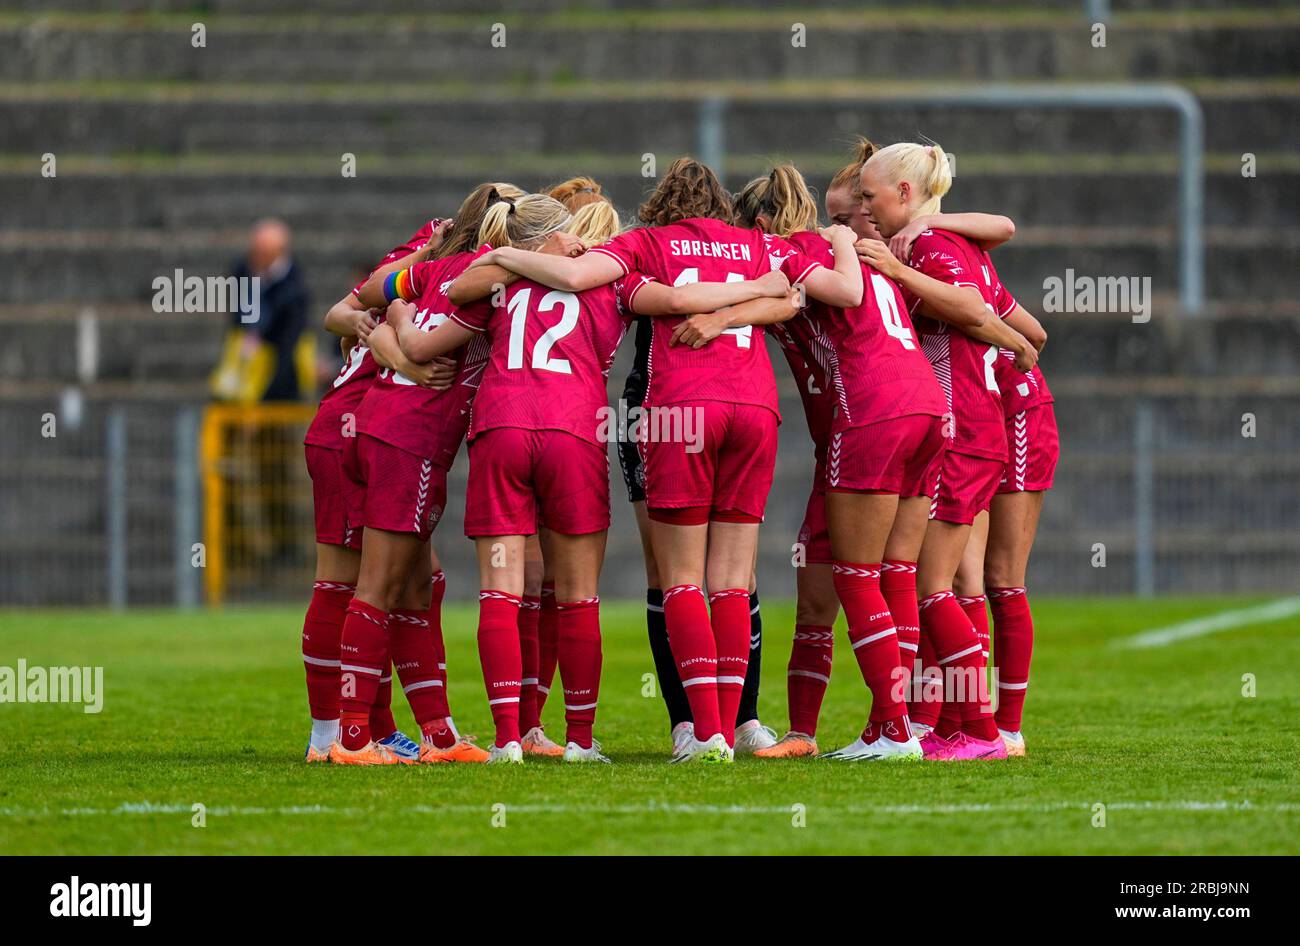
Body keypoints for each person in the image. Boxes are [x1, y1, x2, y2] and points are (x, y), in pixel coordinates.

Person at [470, 156, 861, 762]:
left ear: (658, 204)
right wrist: (749, 297)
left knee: (677, 577)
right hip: (755, 408)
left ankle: (700, 731)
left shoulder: (641, 244)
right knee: (734, 580)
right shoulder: (756, 245)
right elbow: (806, 297)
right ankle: (736, 724)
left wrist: (501, 256)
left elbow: (604, 285)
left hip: (676, 411)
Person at [857, 141, 1038, 760]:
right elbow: (1021, 326)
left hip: (964, 432)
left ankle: (984, 730)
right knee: (954, 583)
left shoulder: (928, 245)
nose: (864, 210)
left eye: (869, 197)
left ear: (903, 194)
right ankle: (954, 724)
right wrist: (1015, 342)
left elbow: (969, 306)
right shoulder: (947, 239)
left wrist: (899, 271)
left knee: (934, 585)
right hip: (970, 428)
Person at [300, 216, 458, 763]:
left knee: (421, 581)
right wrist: (397, 354)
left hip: (371, 426)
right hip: (354, 427)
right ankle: (333, 736)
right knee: (348, 585)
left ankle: (413, 729)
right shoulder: (432, 262)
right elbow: (342, 311)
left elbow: (352, 312)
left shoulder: (450, 270)